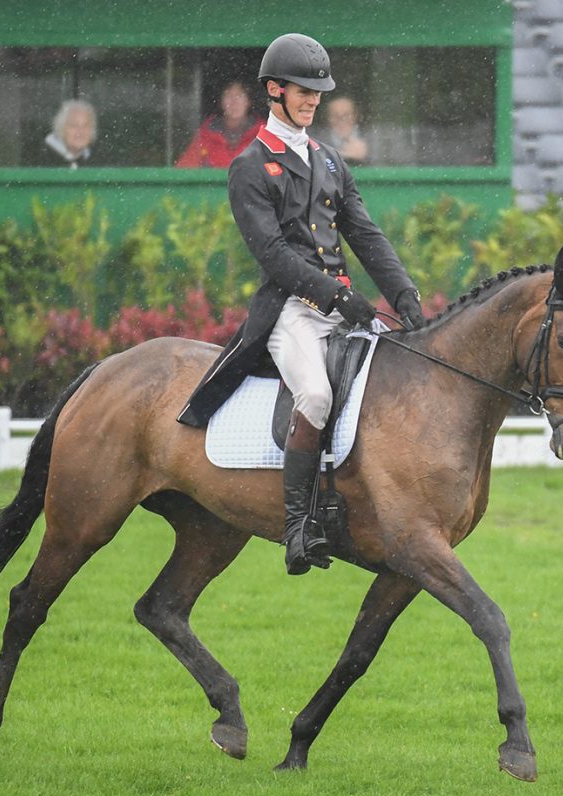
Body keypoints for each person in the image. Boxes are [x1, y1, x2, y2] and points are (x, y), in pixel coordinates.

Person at [177, 33, 425, 576]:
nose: (313, 100)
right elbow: (272, 253)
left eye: (318, 92)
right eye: (303, 90)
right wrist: (337, 295)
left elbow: (366, 235)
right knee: (314, 395)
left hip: (342, 308)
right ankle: (298, 527)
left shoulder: (331, 161)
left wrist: (405, 294)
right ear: (274, 90)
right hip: (291, 309)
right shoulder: (250, 166)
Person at [174, 80, 263, 168]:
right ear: (221, 102)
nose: (234, 102)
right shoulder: (206, 135)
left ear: (248, 101)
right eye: (228, 96)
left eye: (239, 96)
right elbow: (184, 170)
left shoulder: (264, 134)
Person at [39, 99, 97, 168]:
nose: (80, 131)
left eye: (86, 125)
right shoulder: (41, 157)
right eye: (74, 125)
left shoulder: (98, 160)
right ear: (61, 128)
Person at [322, 96, 369, 165]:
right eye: (336, 116)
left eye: (346, 115)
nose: (342, 120)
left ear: (355, 116)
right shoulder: (317, 141)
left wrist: (364, 156)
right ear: (328, 118)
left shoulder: (373, 139)